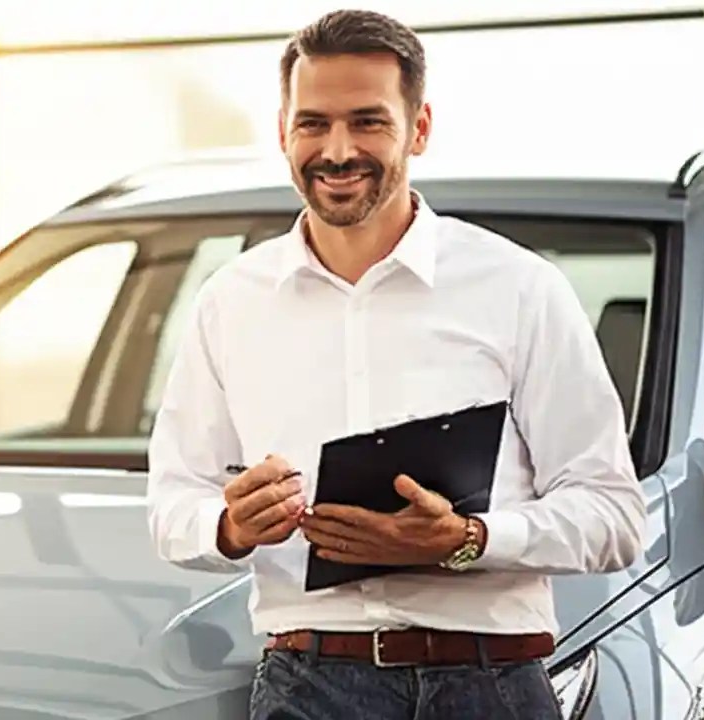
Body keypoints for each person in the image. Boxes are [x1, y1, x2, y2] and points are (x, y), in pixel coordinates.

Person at [145, 8, 647, 720]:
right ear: (284, 129)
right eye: (314, 122)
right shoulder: (230, 303)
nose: (338, 149)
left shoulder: (519, 288)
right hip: (307, 686)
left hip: (489, 687)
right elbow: (171, 506)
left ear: (419, 127)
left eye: (368, 121)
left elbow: (615, 517)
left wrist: (469, 541)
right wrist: (228, 527)